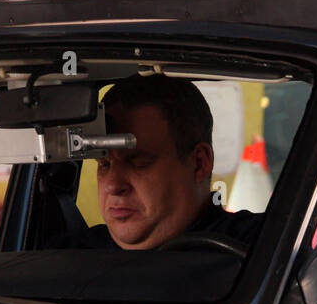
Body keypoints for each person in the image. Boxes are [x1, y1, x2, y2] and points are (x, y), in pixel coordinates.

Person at [84, 74, 263, 249]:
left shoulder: (265, 248)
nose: (112, 186)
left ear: (199, 164)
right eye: (104, 165)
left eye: (139, 163)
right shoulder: (71, 257)